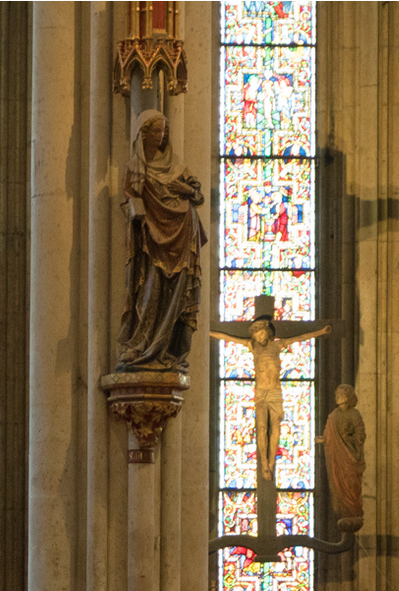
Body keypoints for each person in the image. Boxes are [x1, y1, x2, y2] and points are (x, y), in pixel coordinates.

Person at [117, 109, 206, 373]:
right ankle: (141, 346)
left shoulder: (177, 166)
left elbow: (198, 195)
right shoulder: (136, 168)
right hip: (152, 238)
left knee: (180, 294)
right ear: (144, 134)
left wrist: (188, 190)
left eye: (164, 131)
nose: (161, 135)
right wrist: (134, 211)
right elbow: (127, 200)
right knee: (150, 290)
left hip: (182, 234)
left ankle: (172, 352)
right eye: (156, 130)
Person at [210, 313, 328, 484]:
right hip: (261, 392)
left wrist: (321, 332)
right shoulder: (252, 346)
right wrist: (209, 333)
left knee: (276, 428)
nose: (260, 337)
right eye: (257, 335)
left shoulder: (277, 345)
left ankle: (271, 462)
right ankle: (264, 464)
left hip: (275, 391)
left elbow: (300, 337)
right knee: (262, 428)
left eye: (262, 333)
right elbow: (228, 338)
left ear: (268, 332)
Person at [318, 383, 366, 533]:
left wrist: (348, 438)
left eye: (341, 394)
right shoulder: (333, 416)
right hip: (337, 460)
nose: (337, 397)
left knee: (352, 484)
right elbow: (329, 436)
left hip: (351, 458)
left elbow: (361, 435)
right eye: (336, 395)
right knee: (338, 485)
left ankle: (353, 510)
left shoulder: (354, 414)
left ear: (349, 396)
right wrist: (323, 440)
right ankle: (344, 510)